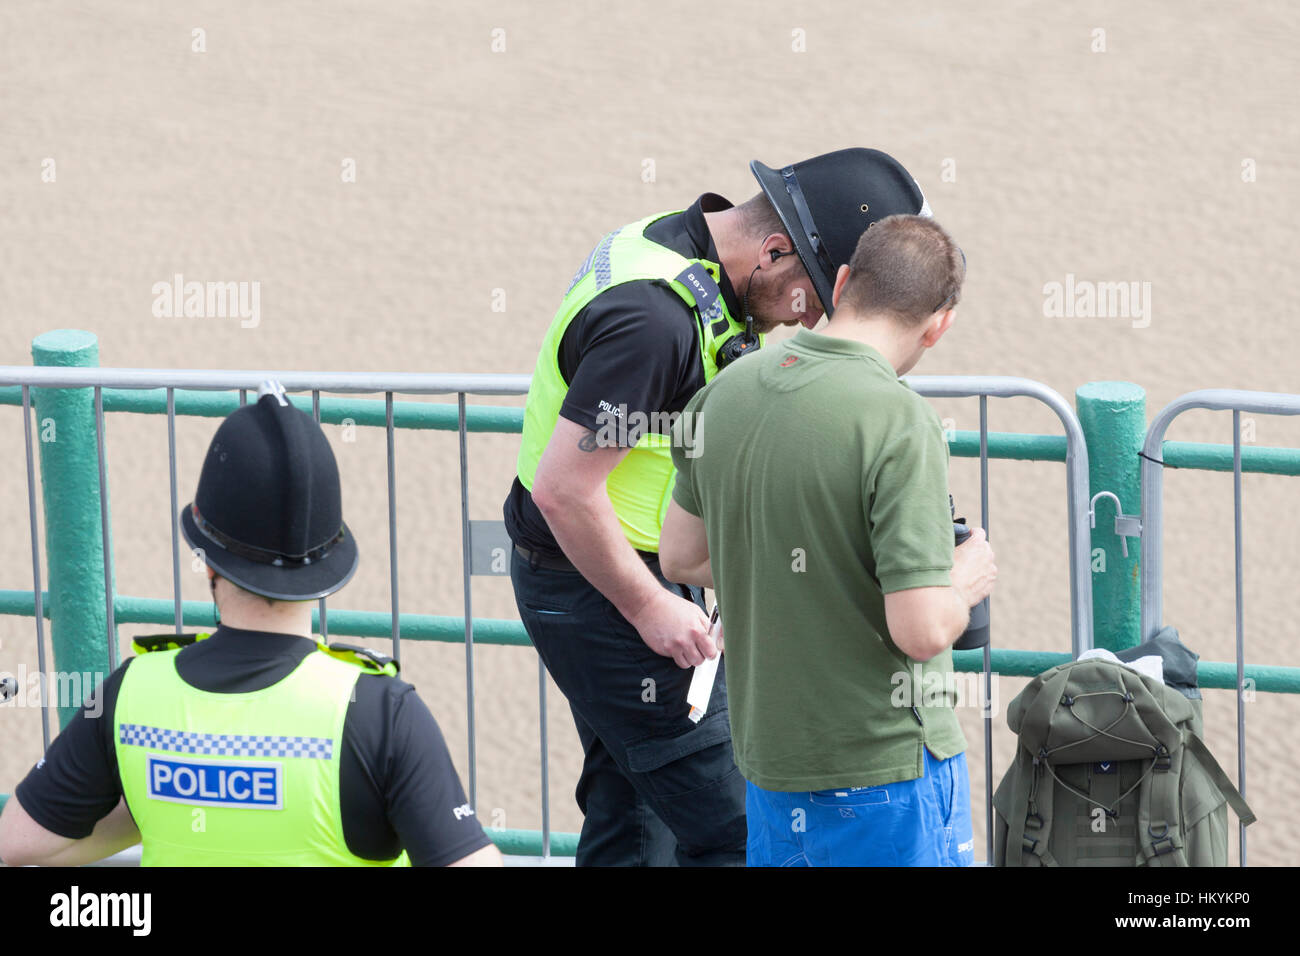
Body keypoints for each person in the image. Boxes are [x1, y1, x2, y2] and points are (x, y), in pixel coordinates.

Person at [503, 148, 934, 865]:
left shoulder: (668, 240)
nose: (806, 322)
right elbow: (563, 490)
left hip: (623, 568)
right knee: (739, 830)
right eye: (813, 296)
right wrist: (650, 607)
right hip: (600, 588)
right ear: (773, 250)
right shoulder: (656, 323)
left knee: (637, 813)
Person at [0, 383, 501, 867]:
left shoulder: (129, 692)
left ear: (207, 559)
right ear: (328, 566)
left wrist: (158, 805)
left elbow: (21, 843)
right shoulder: (382, 713)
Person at [659, 214, 997, 866]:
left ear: (841, 282)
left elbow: (682, 556)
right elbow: (922, 630)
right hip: (885, 765)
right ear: (939, 324)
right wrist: (965, 577)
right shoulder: (899, 420)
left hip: (772, 764)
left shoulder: (725, 393)